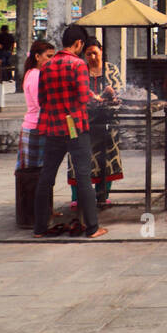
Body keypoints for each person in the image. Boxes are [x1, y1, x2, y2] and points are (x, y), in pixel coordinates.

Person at [33, 25, 106, 238]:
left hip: (52, 127)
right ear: (79, 44)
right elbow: (84, 98)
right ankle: (92, 227)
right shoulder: (77, 65)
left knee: (46, 177)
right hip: (75, 128)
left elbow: (42, 100)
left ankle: (39, 227)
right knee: (83, 176)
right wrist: (95, 99)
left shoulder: (46, 66)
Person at [78, 37, 123, 207]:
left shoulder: (111, 69)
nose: (93, 58)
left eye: (95, 53)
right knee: (81, 159)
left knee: (107, 158)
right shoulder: (80, 70)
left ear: (101, 51)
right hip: (85, 121)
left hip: (107, 120)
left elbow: (120, 94)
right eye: (88, 54)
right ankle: (79, 197)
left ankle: (103, 194)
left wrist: (112, 93)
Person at [17, 39, 56, 218]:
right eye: (48, 57)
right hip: (35, 128)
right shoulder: (35, 75)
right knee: (35, 174)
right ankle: (35, 212)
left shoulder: (35, 73)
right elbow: (41, 104)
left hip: (37, 126)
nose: (51, 60)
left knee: (40, 171)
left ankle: (42, 210)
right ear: (37, 57)